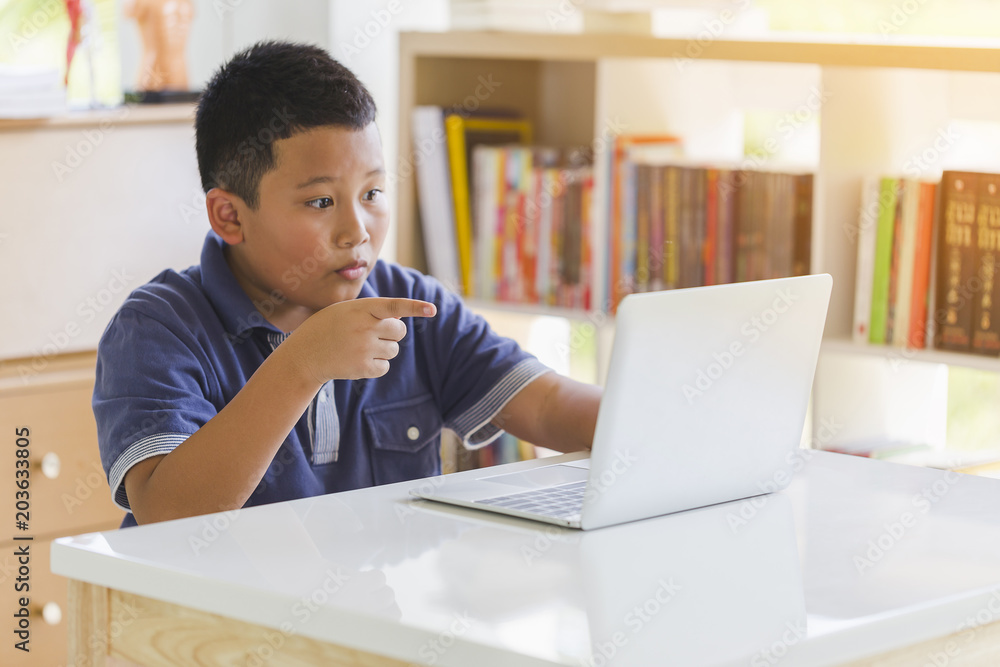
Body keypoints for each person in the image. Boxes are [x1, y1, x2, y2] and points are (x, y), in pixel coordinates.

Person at [94, 40, 601, 528]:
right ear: (229, 215)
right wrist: (301, 363)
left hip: (370, 614)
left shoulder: (413, 308)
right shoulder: (158, 330)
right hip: (205, 618)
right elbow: (169, 511)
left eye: (373, 192)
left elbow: (549, 406)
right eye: (320, 202)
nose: (356, 231)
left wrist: (656, 418)